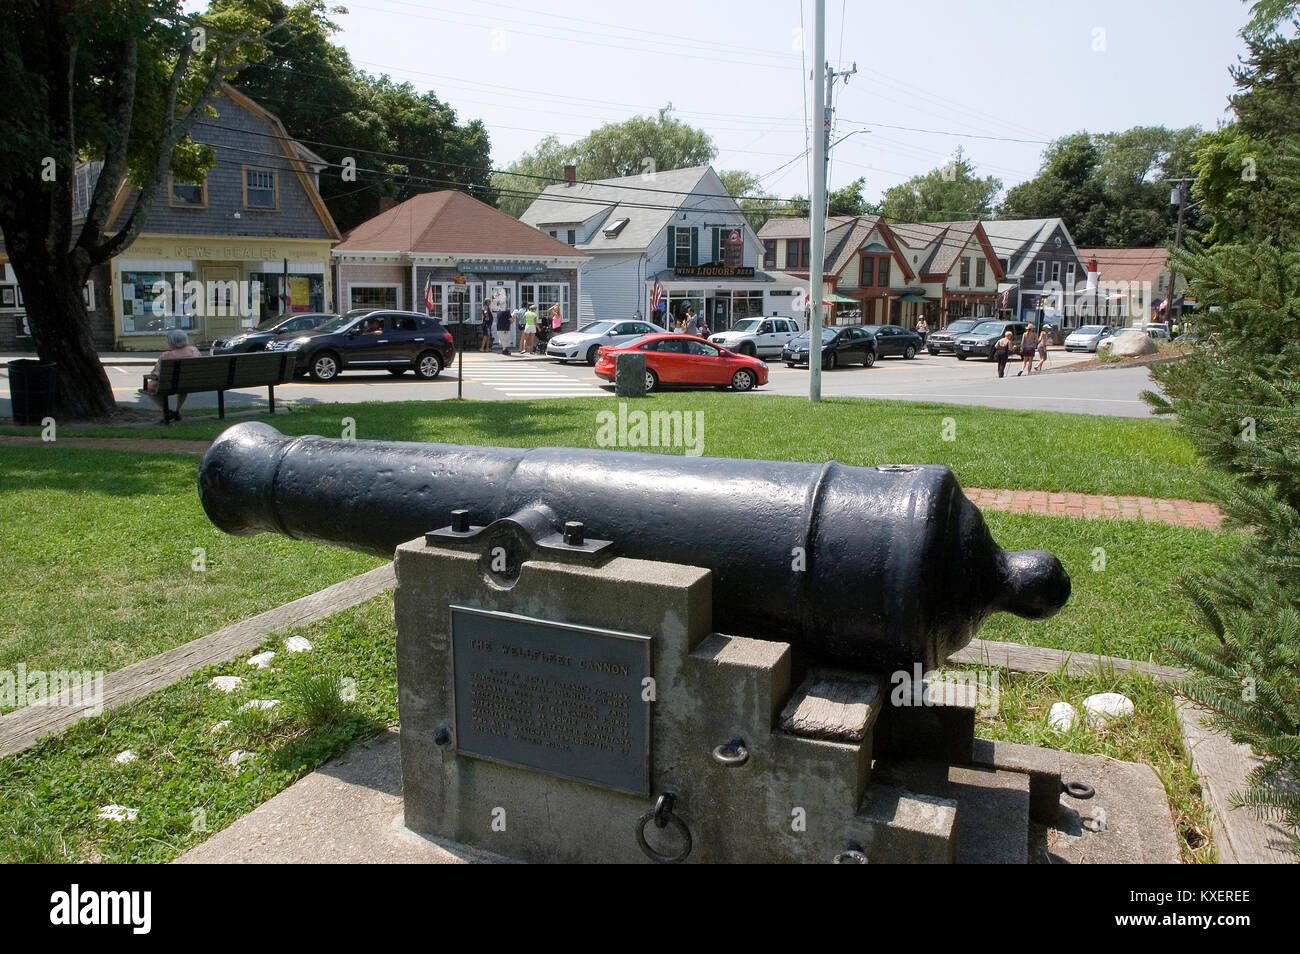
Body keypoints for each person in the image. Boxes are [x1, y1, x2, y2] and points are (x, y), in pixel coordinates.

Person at [144, 329, 200, 422]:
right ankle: (178, 411)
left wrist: (152, 374)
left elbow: (156, 373)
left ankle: (166, 411)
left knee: (149, 386)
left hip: (170, 384)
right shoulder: (194, 351)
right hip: (190, 383)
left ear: (172, 342)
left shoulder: (167, 355)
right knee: (183, 386)